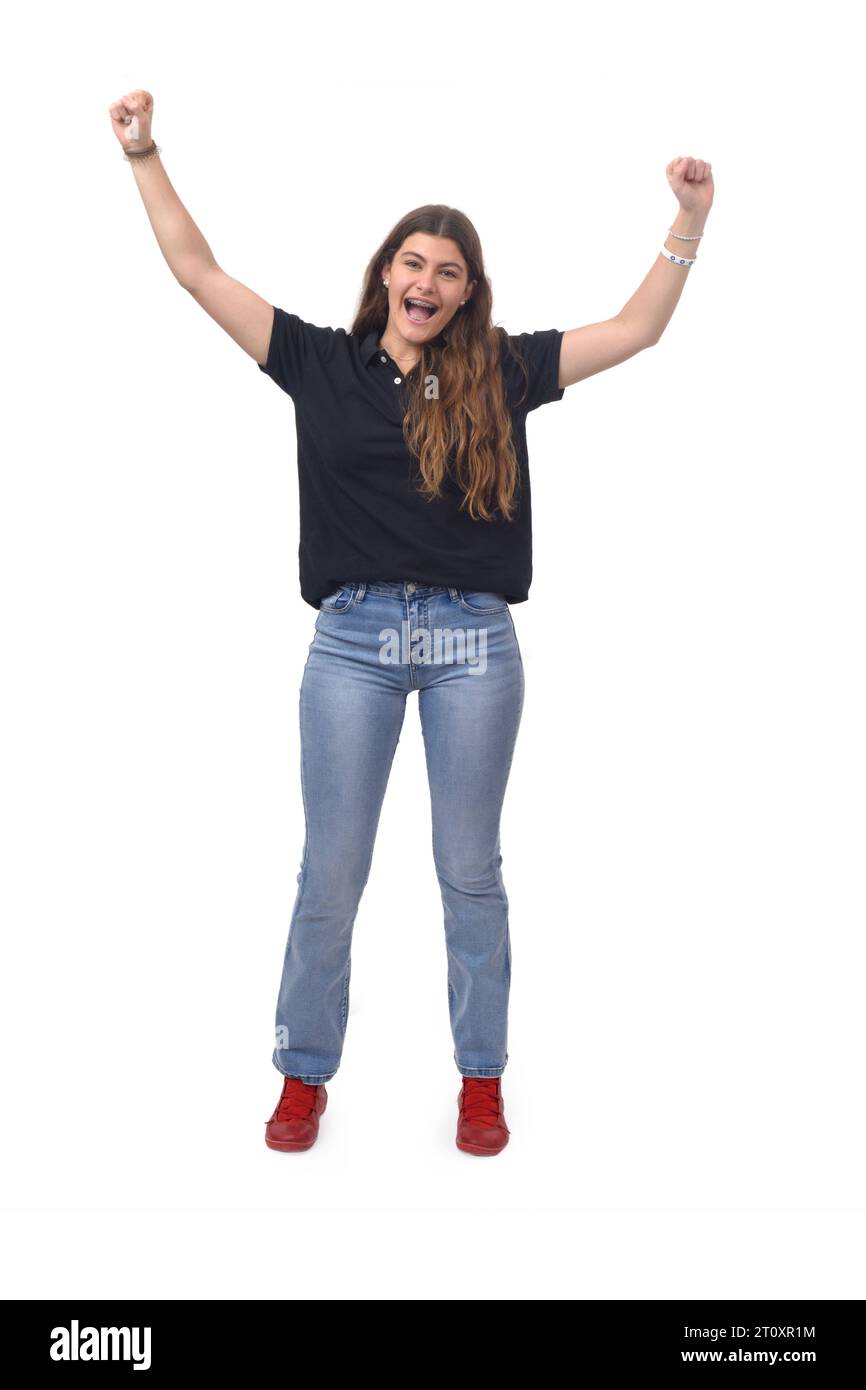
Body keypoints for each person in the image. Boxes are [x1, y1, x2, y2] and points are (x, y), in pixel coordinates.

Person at [109, 88, 714, 1158]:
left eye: (447, 270)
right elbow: (197, 270)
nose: (425, 282)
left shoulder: (501, 370)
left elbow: (634, 330)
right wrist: (146, 152)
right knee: (330, 869)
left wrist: (684, 223)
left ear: (464, 292)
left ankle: (479, 1080)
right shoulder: (317, 363)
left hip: (471, 646)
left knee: (467, 869)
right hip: (351, 643)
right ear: (384, 274)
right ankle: (304, 1074)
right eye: (411, 263)